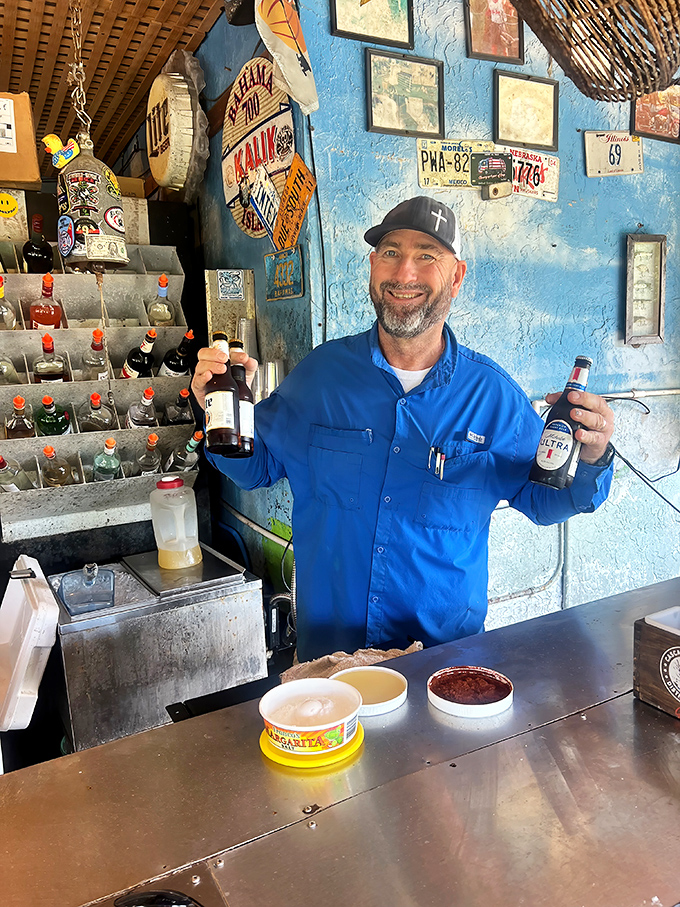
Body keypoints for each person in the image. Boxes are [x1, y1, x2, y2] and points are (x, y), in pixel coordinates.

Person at [192, 196, 615, 663]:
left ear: (456, 277)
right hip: (330, 663)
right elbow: (257, 468)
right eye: (391, 253)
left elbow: (545, 499)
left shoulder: (492, 397)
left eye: (427, 256)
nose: (404, 273)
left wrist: (593, 456)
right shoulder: (320, 377)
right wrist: (215, 411)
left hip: (441, 666)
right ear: (373, 266)